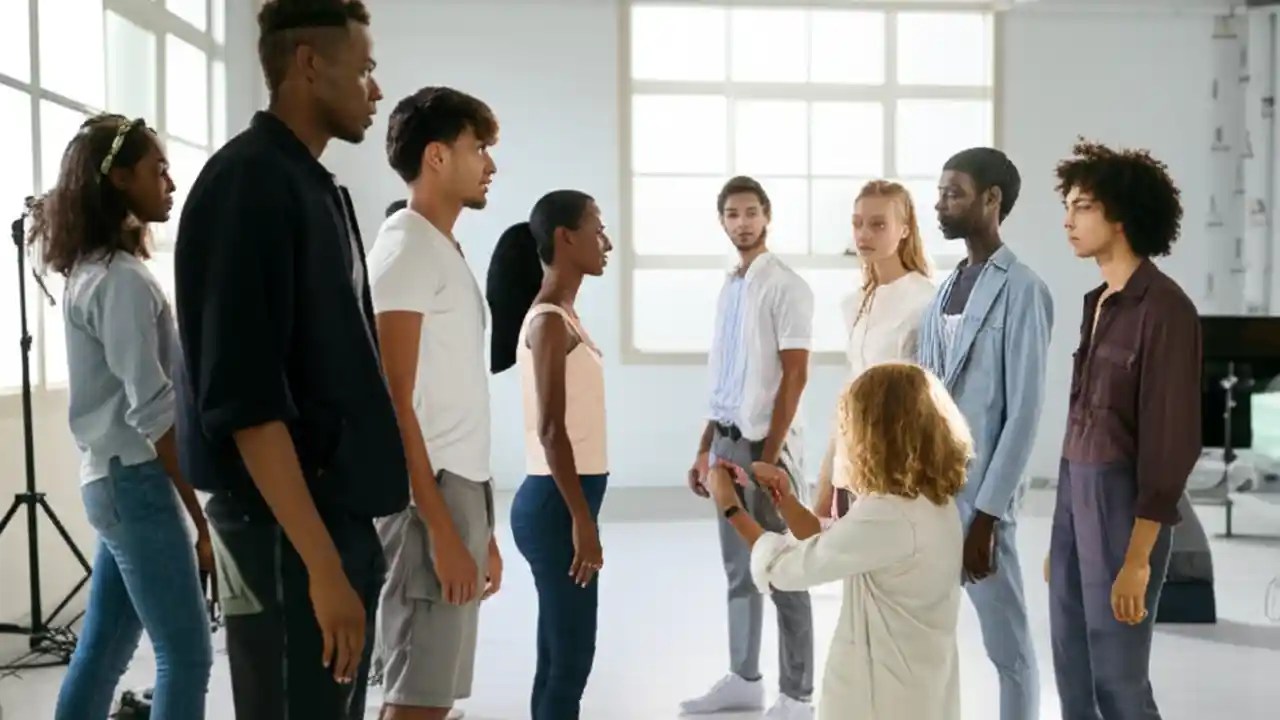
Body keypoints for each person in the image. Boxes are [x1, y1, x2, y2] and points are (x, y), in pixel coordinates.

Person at [172, 2, 408, 719]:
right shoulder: (249, 185)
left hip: (321, 522)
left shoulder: (310, 186)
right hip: (283, 534)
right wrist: (322, 566)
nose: (376, 89)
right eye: (364, 69)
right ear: (309, 63)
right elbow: (247, 401)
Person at [30, 113, 213, 720]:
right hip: (134, 484)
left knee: (105, 645)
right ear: (121, 180)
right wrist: (201, 518)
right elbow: (154, 411)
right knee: (186, 656)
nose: (171, 181)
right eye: (158, 169)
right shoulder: (123, 282)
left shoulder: (91, 272)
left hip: (110, 482)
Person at [707, 362, 968, 720]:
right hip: (920, 689)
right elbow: (835, 543)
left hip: (882, 700)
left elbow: (787, 570)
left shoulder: (888, 515)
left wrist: (730, 507)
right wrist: (785, 500)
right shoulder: (933, 502)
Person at [1048, 140, 1202, 720]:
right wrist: (1061, 535)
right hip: (1073, 494)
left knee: (1118, 676)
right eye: (1067, 205)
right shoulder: (1097, 302)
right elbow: (1081, 420)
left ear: (1122, 215)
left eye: (1082, 206)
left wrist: (1137, 557)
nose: (1068, 220)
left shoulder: (1165, 309)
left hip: (1121, 502)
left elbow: (1171, 441)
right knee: (1073, 669)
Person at [366, 85, 500, 720]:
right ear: (438, 157)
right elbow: (395, 402)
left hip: (457, 493)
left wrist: (481, 533)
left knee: (435, 699)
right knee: (415, 701)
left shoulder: (439, 246)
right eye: (479, 149)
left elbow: (453, 392)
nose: (490, 165)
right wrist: (443, 529)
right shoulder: (408, 246)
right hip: (431, 503)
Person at [915, 147, 1052, 720]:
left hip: (981, 505)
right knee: (924, 642)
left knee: (1008, 648)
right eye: (940, 192)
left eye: (954, 193)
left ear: (991, 200)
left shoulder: (1024, 289)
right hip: (928, 496)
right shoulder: (944, 290)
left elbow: (1024, 414)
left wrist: (989, 519)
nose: (940, 204)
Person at [681, 176, 815, 720]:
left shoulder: (786, 285)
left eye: (751, 212)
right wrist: (704, 449)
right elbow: (725, 382)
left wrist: (770, 453)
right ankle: (744, 678)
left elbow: (796, 375)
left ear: (767, 217)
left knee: (782, 569)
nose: (742, 222)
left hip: (767, 447)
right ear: (722, 221)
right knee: (739, 569)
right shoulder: (731, 287)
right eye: (732, 214)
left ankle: (797, 695)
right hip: (728, 445)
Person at [487, 190, 613, 720]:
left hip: (563, 501)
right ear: (565, 237)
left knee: (557, 656)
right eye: (597, 228)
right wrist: (582, 522)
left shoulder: (563, 315)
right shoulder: (547, 322)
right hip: (557, 506)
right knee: (570, 661)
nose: (606, 242)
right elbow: (551, 430)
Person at [814, 180, 935, 520]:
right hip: (851, 460)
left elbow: (932, 396)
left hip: (900, 463)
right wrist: (825, 482)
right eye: (857, 223)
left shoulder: (925, 300)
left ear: (905, 229)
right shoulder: (853, 304)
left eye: (878, 224)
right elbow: (850, 391)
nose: (864, 233)